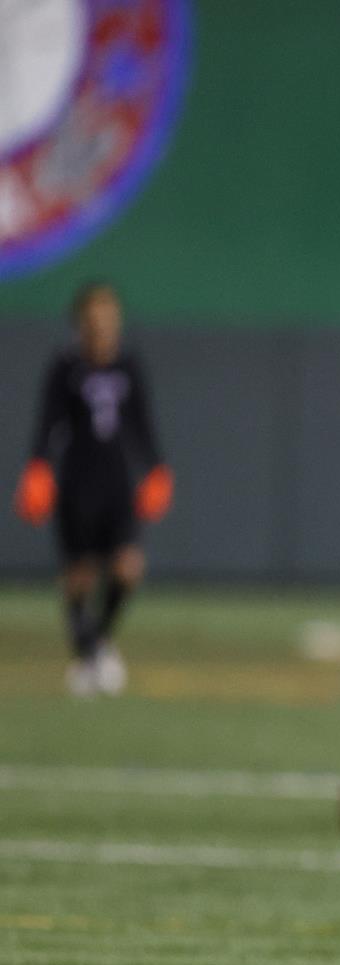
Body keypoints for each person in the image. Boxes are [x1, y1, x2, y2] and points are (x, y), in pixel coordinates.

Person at [13, 281, 173, 696]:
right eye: (95, 318)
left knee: (127, 567)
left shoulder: (128, 366)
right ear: (81, 323)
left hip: (117, 481)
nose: (103, 326)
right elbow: (48, 423)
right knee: (80, 575)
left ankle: (96, 645)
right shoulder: (66, 367)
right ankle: (88, 655)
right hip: (77, 481)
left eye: (109, 316)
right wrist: (38, 469)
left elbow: (142, 423)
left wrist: (156, 469)